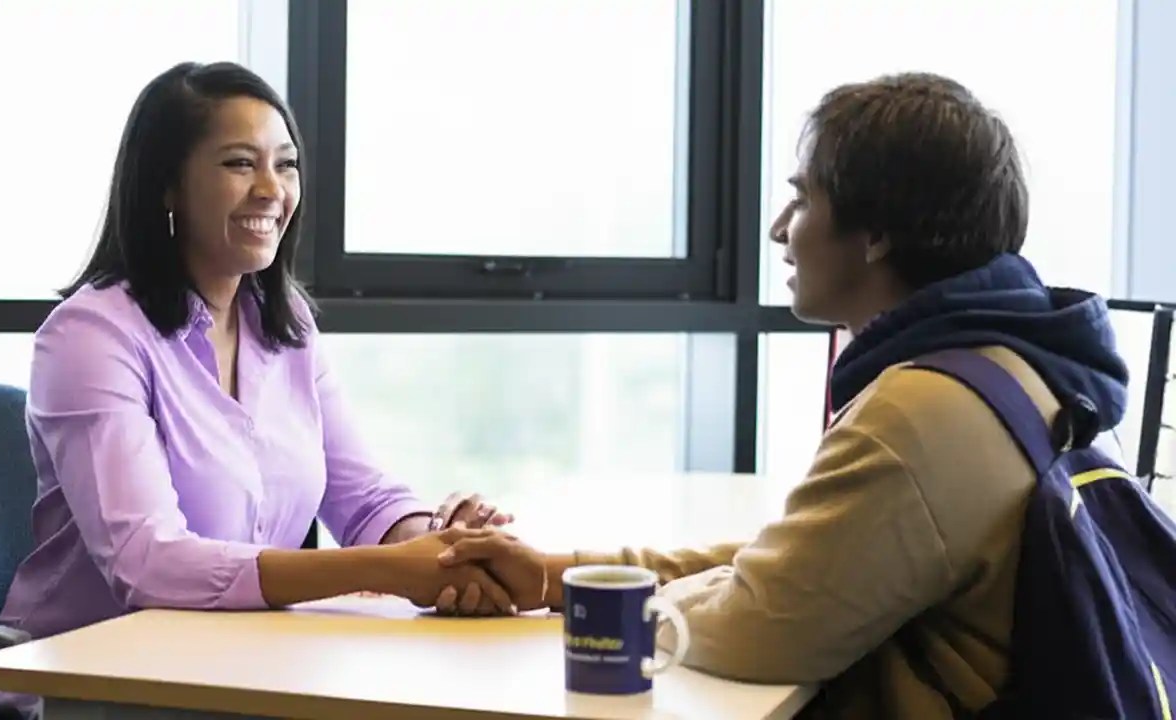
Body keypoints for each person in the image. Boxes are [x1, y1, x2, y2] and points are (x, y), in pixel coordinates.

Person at [434, 72, 1130, 719]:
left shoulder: (921, 412)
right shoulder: (1014, 369)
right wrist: (561, 577)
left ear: (876, 235)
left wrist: (606, 607)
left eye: (802, 200)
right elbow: (798, 564)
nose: (779, 230)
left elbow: (760, 624)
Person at [0, 61, 514, 720]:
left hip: (244, 677)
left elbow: (364, 500)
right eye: (238, 164)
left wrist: (446, 545)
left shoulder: (285, 325)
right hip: (90, 694)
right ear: (167, 186)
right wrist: (390, 569)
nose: (270, 190)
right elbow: (148, 563)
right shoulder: (91, 337)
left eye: (285, 166)